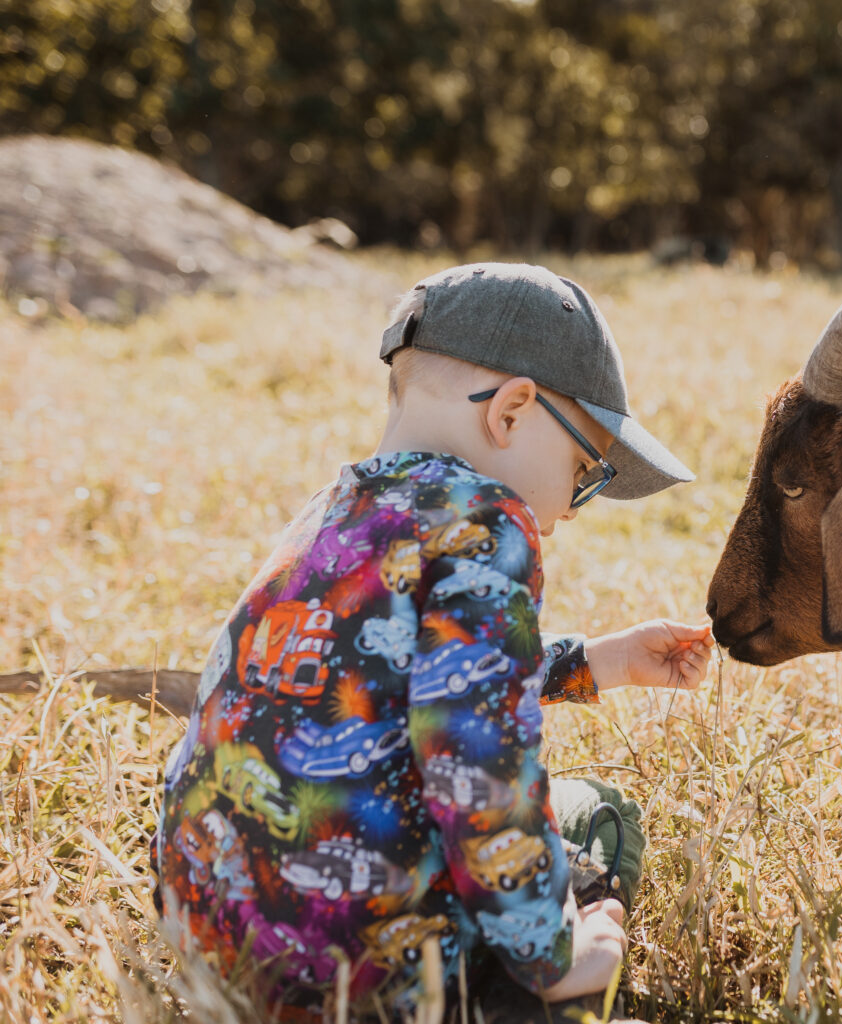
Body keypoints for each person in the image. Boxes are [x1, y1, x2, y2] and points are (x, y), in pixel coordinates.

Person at [156, 262, 714, 1021]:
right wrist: (553, 958)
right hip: (370, 976)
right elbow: (476, 770)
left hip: (217, 946)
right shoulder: (489, 518)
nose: (574, 509)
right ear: (512, 412)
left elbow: (397, 663)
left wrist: (601, 661)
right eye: (585, 471)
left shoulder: (335, 510)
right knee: (596, 815)